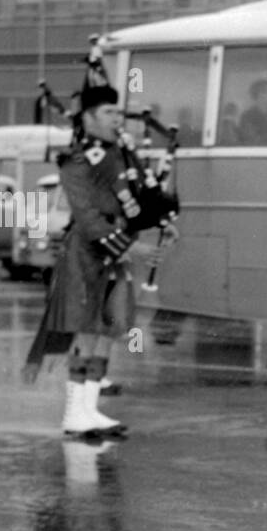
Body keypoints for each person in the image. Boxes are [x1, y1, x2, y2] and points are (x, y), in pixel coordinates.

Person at [25, 80, 175, 435]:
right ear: (89, 118)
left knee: (107, 330)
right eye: (108, 113)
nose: (115, 119)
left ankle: (90, 409)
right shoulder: (77, 161)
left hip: (115, 251)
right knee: (86, 330)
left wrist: (163, 222)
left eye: (117, 112)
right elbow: (89, 218)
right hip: (87, 252)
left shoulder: (120, 153)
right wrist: (127, 246)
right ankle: (73, 414)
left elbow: (140, 195)